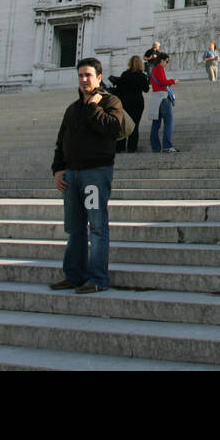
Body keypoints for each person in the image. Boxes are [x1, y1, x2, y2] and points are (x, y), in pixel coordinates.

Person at [50, 57, 125, 293]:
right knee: (74, 227)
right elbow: (61, 141)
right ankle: (74, 275)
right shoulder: (72, 109)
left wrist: (94, 107)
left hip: (95, 173)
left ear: (99, 77)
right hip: (72, 175)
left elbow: (112, 129)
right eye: (81, 75)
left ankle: (97, 279)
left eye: (88, 75)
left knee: (97, 226)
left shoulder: (111, 101)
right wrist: (57, 169)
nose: (84, 79)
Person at [111, 55, 149, 154]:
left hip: (126, 102)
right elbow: (146, 89)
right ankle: (132, 147)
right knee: (135, 125)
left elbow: (119, 89)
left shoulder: (125, 74)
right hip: (137, 102)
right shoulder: (142, 75)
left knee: (124, 124)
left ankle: (120, 147)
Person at [149, 52, 178, 153]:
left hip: (155, 98)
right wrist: (173, 81)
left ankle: (155, 147)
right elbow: (163, 81)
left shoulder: (153, 70)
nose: (167, 63)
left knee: (156, 124)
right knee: (168, 122)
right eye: (166, 61)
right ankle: (167, 145)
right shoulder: (160, 68)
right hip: (163, 98)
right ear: (162, 60)